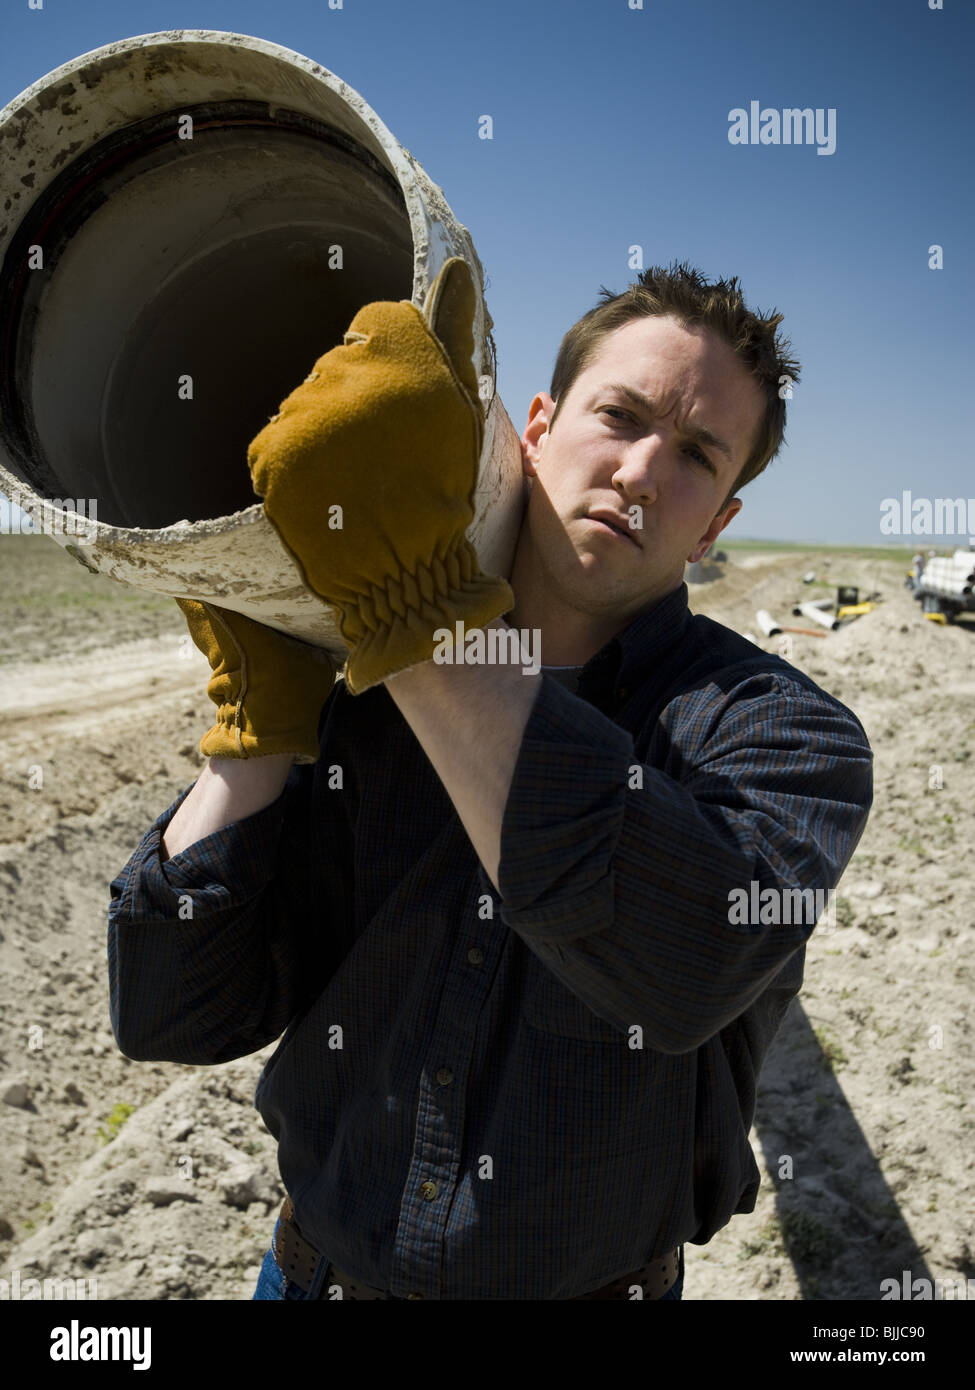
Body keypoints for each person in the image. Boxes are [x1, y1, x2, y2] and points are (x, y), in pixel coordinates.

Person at [108, 260, 873, 1301]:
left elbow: (682, 960)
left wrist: (414, 615)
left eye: (696, 454)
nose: (643, 471)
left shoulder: (784, 736)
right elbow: (174, 1014)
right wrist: (256, 733)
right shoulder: (367, 710)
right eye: (621, 414)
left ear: (718, 525)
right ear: (536, 426)